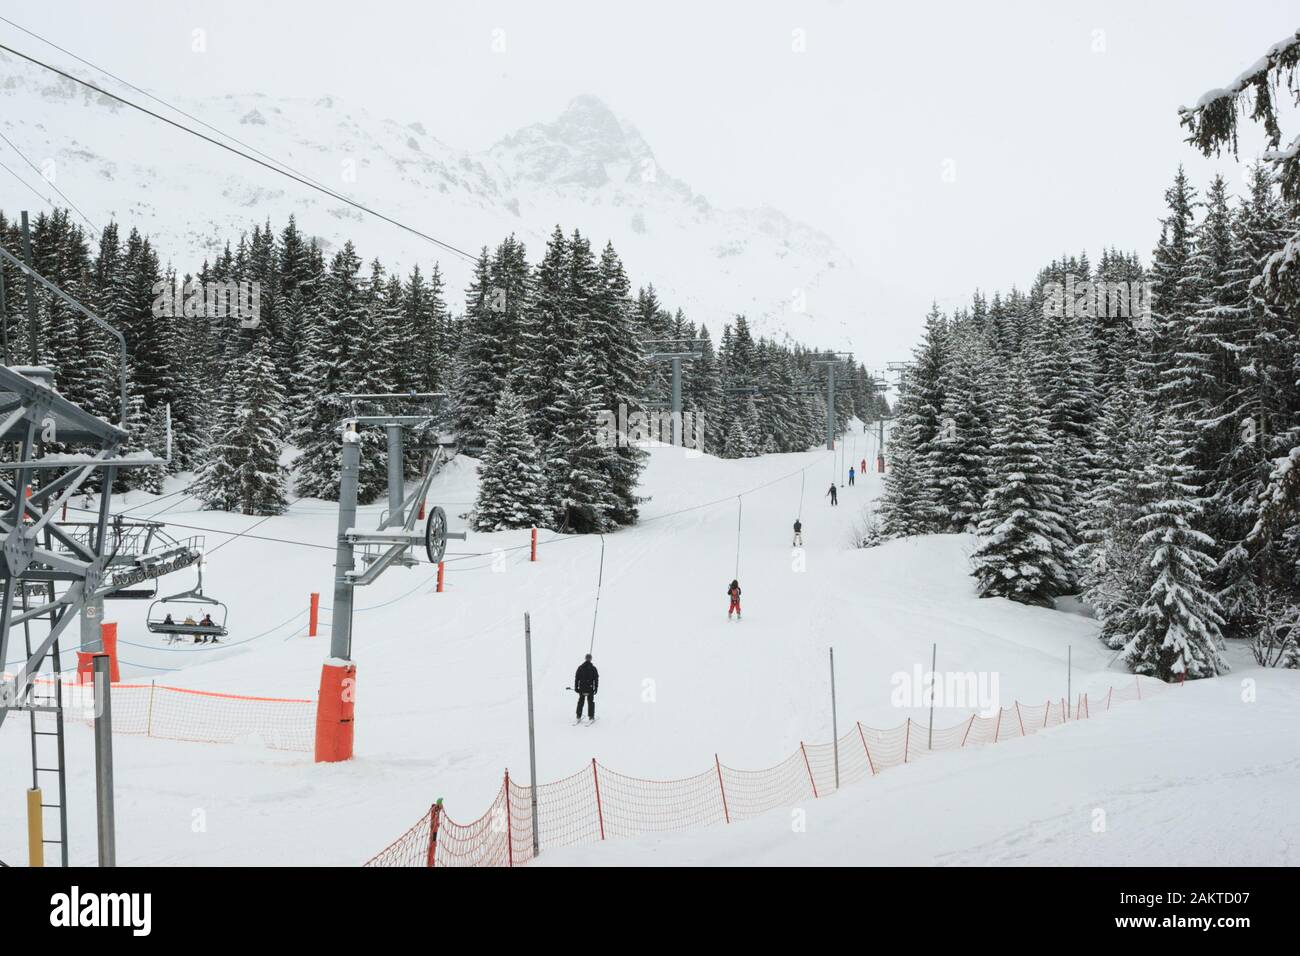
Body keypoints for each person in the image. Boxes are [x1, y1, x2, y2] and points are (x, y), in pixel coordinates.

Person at [574, 654, 598, 722]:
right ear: (591, 659)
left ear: (585, 658)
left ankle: (578, 716)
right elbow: (596, 679)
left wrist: (576, 687)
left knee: (581, 701)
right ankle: (591, 716)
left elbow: (577, 678)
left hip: (582, 689)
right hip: (590, 689)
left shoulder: (580, 667)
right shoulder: (593, 668)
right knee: (590, 702)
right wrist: (596, 688)